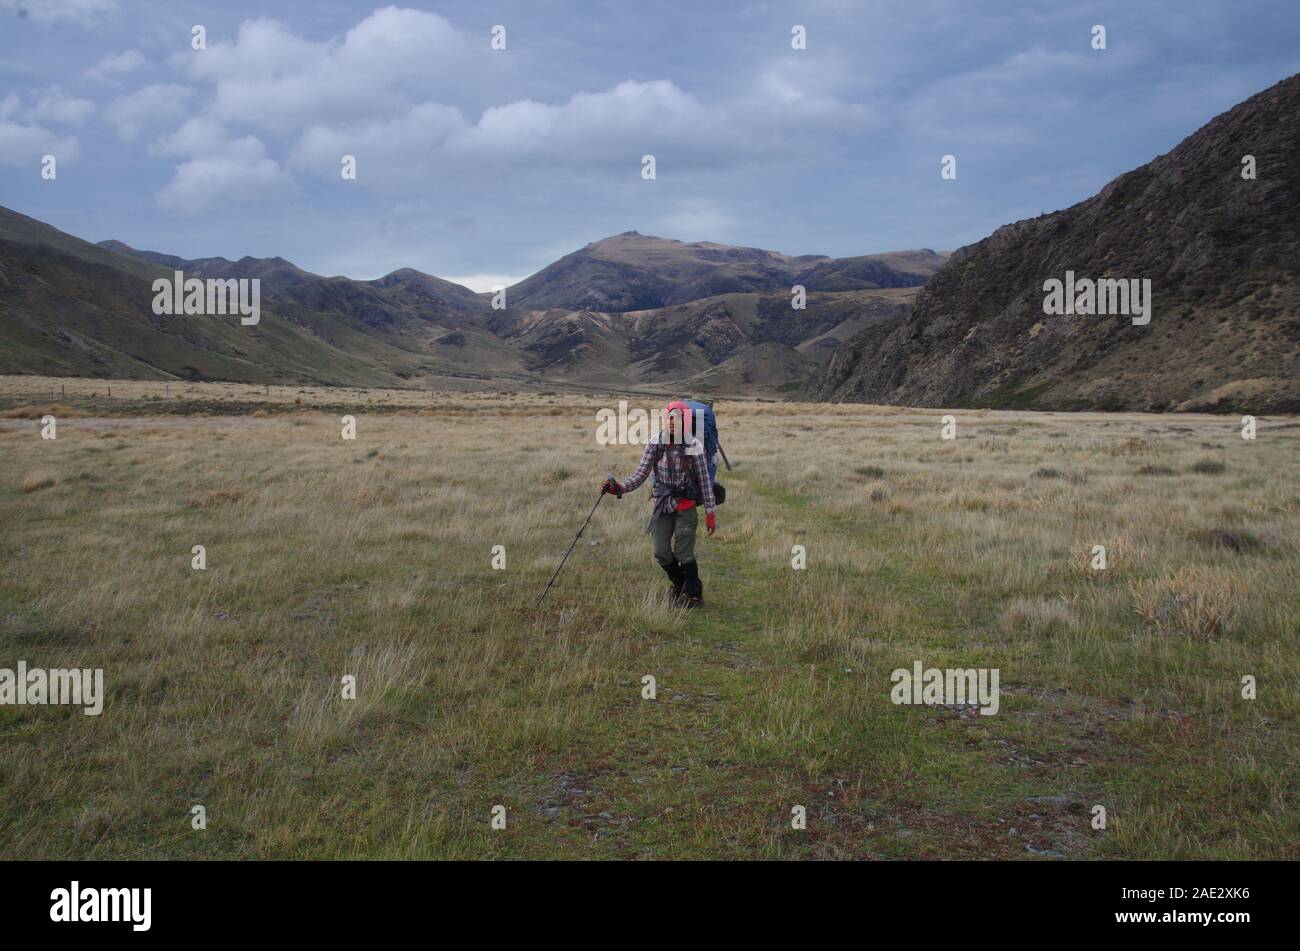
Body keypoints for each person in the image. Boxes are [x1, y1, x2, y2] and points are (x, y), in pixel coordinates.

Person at [601, 400, 717, 607]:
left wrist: (710, 512)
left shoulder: (693, 445)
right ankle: (680, 584)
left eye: (679, 419)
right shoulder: (656, 443)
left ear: (686, 422)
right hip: (662, 504)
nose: (674, 423)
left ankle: (694, 595)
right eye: (671, 418)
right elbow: (640, 474)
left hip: (686, 504)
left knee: (684, 552)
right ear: (665, 419)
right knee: (660, 551)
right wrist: (619, 488)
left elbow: (704, 480)